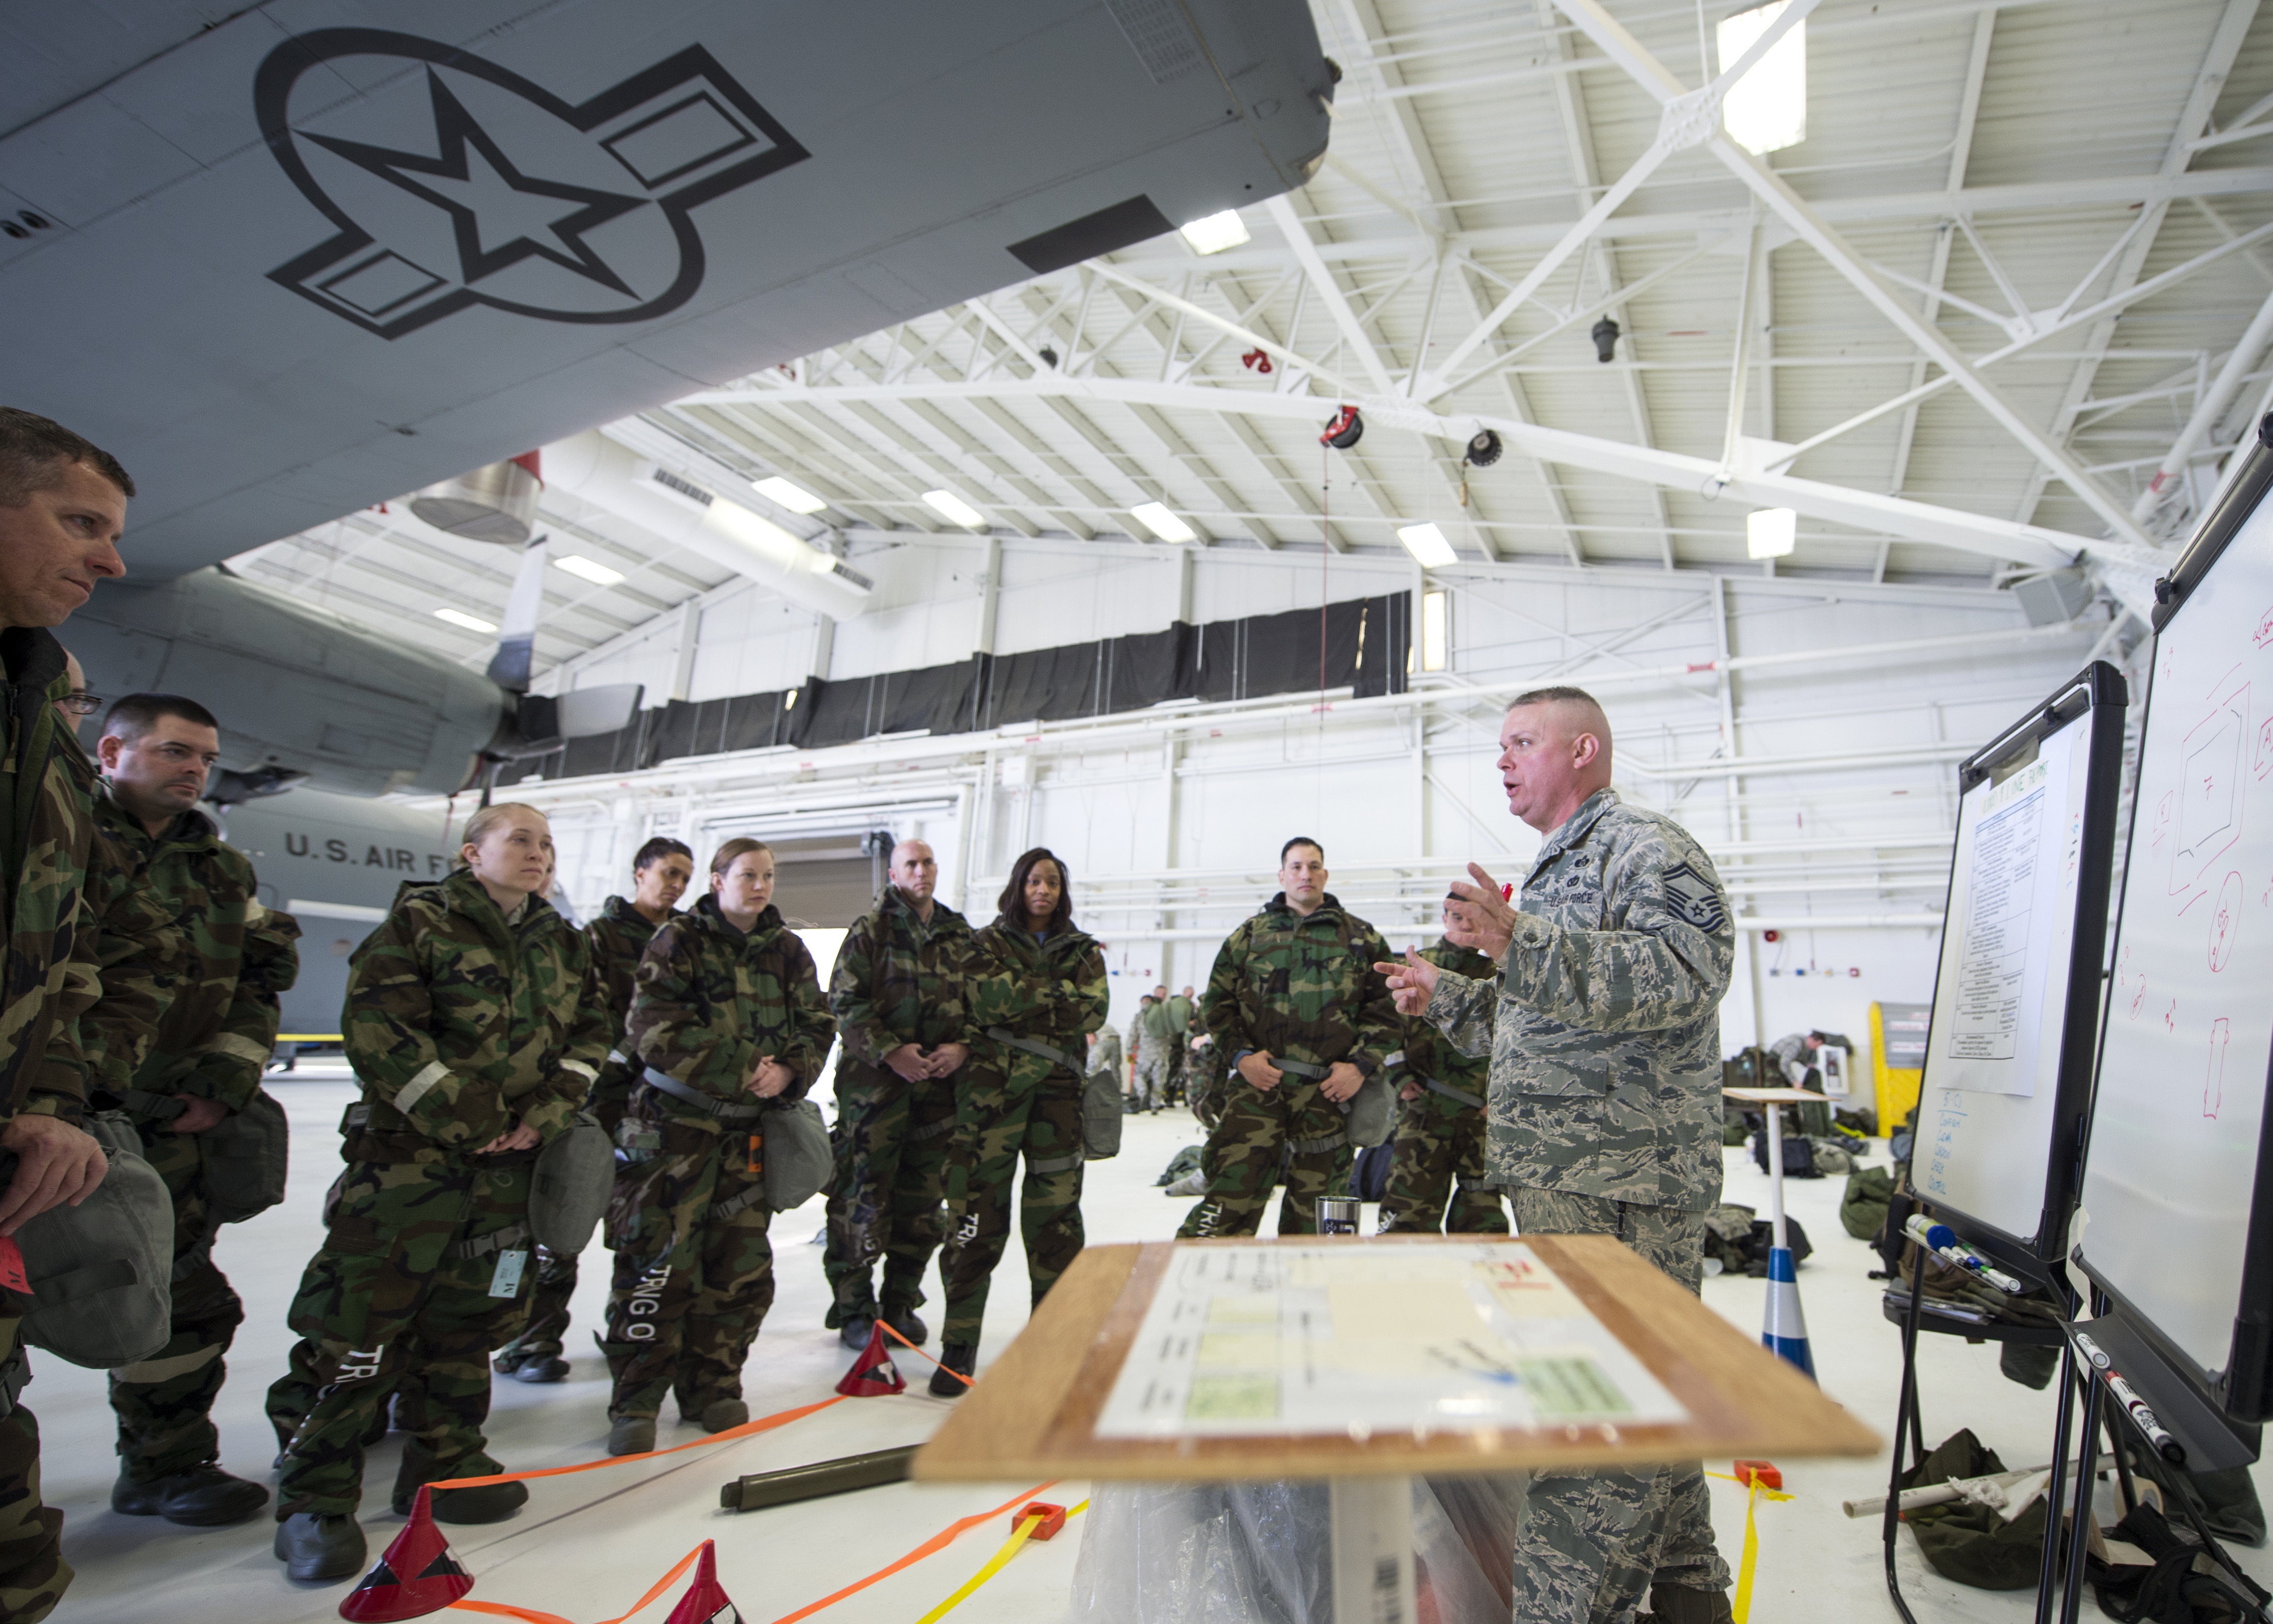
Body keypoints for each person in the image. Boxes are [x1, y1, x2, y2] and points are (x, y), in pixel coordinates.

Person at [1378, 685, 1736, 1624]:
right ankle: (1690, 1592)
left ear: (1583, 751)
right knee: (1644, 1403)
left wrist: (1516, 938)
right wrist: (1446, 995)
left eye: (1522, 742)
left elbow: (1687, 975)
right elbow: (1543, 1028)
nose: (1502, 760)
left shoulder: (1644, 848)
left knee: (1592, 1426)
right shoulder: (1550, 869)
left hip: (1624, 1185)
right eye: (1499, 745)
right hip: (1569, 1182)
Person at [268, 802, 608, 1581]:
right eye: (520, 838)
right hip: (408, 1167)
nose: (538, 853)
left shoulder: (562, 941)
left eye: (547, 843)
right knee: (359, 1320)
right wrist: (475, 1117)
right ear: (469, 852)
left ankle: (443, 1457)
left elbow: (592, 1035)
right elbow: (381, 1029)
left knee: (469, 1317)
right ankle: (314, 1491)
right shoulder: (420, 923)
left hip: (511, 1170)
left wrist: (544, 1115)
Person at [91, 694, 301, 1526]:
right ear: (112, 750)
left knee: (181, 1297)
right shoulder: (54, 838)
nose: (195, 770)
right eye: (177, 751)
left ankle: (164, 1464)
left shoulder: (221, 870)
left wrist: (220, 1082)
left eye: (206, 758)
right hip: (49, 1113)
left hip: (169, 1125)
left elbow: (256, 981)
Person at [0, 409, 140, 1621]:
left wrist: (49, 1099)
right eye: (79, 522)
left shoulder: (38, 726)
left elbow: (64, 947)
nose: (112, 561)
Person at [601, 839, 833, 1456]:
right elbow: (652, 1027)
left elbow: (817, 1022)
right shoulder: (679, 940)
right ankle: (637, 1398)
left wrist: (788, 1071)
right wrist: (741, 1066)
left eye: (768, 875)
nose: (759, 885)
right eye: (747, 875)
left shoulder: (788, 951)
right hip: (675, 1126)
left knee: (738, 1266)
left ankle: (713, 1384)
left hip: (749, 1132)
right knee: (657, 1260)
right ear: (718, 880)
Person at [492, 836, 693, 1385]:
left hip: (657, 1110)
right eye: (668, 873)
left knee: (643, 1229)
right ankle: (530, 1341)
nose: (676, 885)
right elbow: (586, 1017)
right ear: (639, 873)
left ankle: (630, 1334)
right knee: (562, 1219)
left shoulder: (687, 939)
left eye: (684, 876)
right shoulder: (598, 939)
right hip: (595, 1102)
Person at [931, 847, 1106, 1395]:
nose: (1043, 890)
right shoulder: (984, 944)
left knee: (1056, 1223)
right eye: (1034, 880)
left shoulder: (1081, 949)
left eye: (1053, 881)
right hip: (991, 1098)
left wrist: (1018, 998)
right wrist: (1055, 1000)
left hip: (1058, 1101)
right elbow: (983, 1000)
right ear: (1018, 885)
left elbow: (1094, 1010)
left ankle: (1055, 1345)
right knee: (974, 1219)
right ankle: (959, 1344)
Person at [1177, 838, 1397, 1238]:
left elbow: (1386, 1010)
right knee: (1230, 1197)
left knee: (1319, 1218)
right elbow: (1218, 1005)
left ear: (1325, 875)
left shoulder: (1361, 940)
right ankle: (1199, 1290)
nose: (1305, 874)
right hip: (1259, 1087)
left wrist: (1360, 1066)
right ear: (1282, 875)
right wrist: (1240, 1056)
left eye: (1313, 866)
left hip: (1329, 1095)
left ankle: (1311, 1295)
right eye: (1296, 866)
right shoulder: (1248, 937)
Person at [822, 838, 972, 1351]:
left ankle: (901, 1300)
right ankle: (854, 1307)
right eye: (911, 863)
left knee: (923, 1205)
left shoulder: (959, 933)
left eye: (929, 861)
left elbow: (982, 1001)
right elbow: (844, 1000)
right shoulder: (871, 931)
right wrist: (889, 1052)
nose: (922, 870)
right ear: (893, 873)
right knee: (860, 1201)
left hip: (936, 1094)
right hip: (874, 1094)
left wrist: (962, 1047)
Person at [1377, 906, 1504, 1236]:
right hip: (1424, 1111)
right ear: (1446, 918)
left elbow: (1517, 1041)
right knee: (1407, 1216)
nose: (1466, 925)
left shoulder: (1501, 973)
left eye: (1474, 918)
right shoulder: (1421, 966)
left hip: (1481, 1118)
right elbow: (1385, 1029)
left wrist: (1503, 1098)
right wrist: (1401, 1080)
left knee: (1482, 1221)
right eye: (1458, 917)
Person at [1164, 984, 1195, 1106]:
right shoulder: (1188, 1007)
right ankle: (1182, 1098)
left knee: (1174, 1069)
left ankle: (1169, 1097)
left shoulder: (1170, 1005)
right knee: (1183, 1069)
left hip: (1174, 1043)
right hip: (1181, 1044)